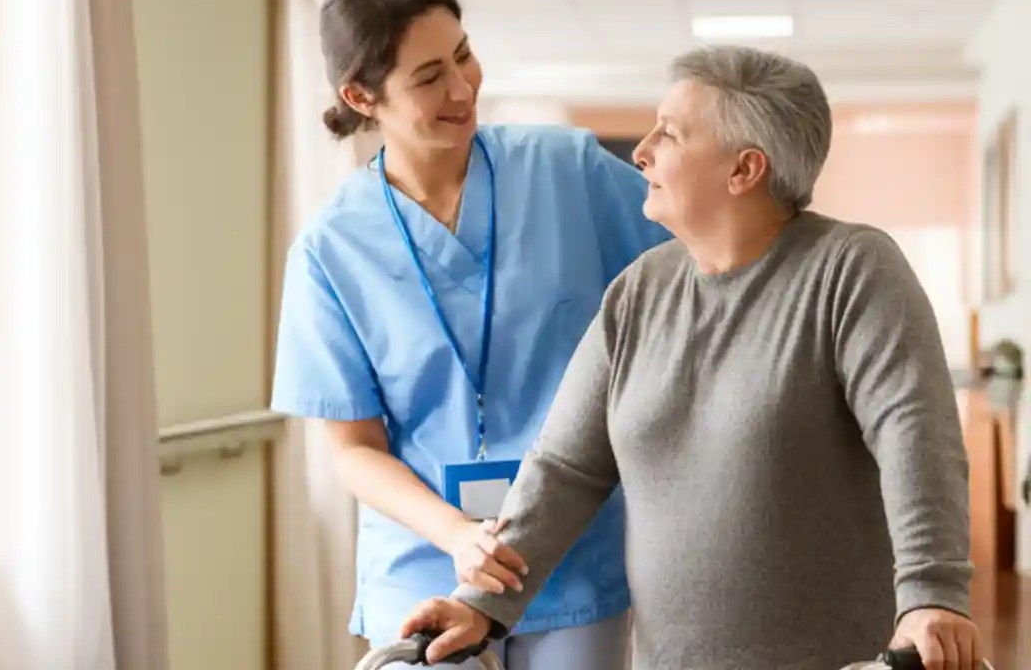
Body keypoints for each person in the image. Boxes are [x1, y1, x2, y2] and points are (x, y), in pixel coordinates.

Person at [400, 45, 985, 670]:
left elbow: (915, 434)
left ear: (744, 170)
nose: (643, 150)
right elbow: (566, 469)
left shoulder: (852, 270)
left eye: (670, 134)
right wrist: (481, 606)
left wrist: (931, 592)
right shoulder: (638, 292)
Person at [269, 0, 669, 670]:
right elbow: (353, 448)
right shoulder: (332, 250)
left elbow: (695, 269)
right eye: (428, 78)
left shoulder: (567, 172)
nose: (462, 88)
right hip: (424, 557)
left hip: (566, 554)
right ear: (362, 95)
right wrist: (455, 532)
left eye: (463, 56)